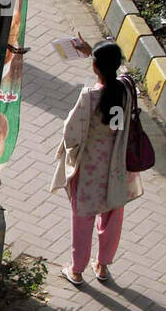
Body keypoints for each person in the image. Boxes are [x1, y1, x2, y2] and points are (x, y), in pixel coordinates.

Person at [50, 37, 144, 286]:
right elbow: (121, 74)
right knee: (112, 217)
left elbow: (70, 132)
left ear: (95, 67)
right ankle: (102, 266)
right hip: (118, 168)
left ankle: (77, 269)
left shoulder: (89, 96)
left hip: (90, 169)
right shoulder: (126, 89)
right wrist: (95, 53)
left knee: (83, 219)